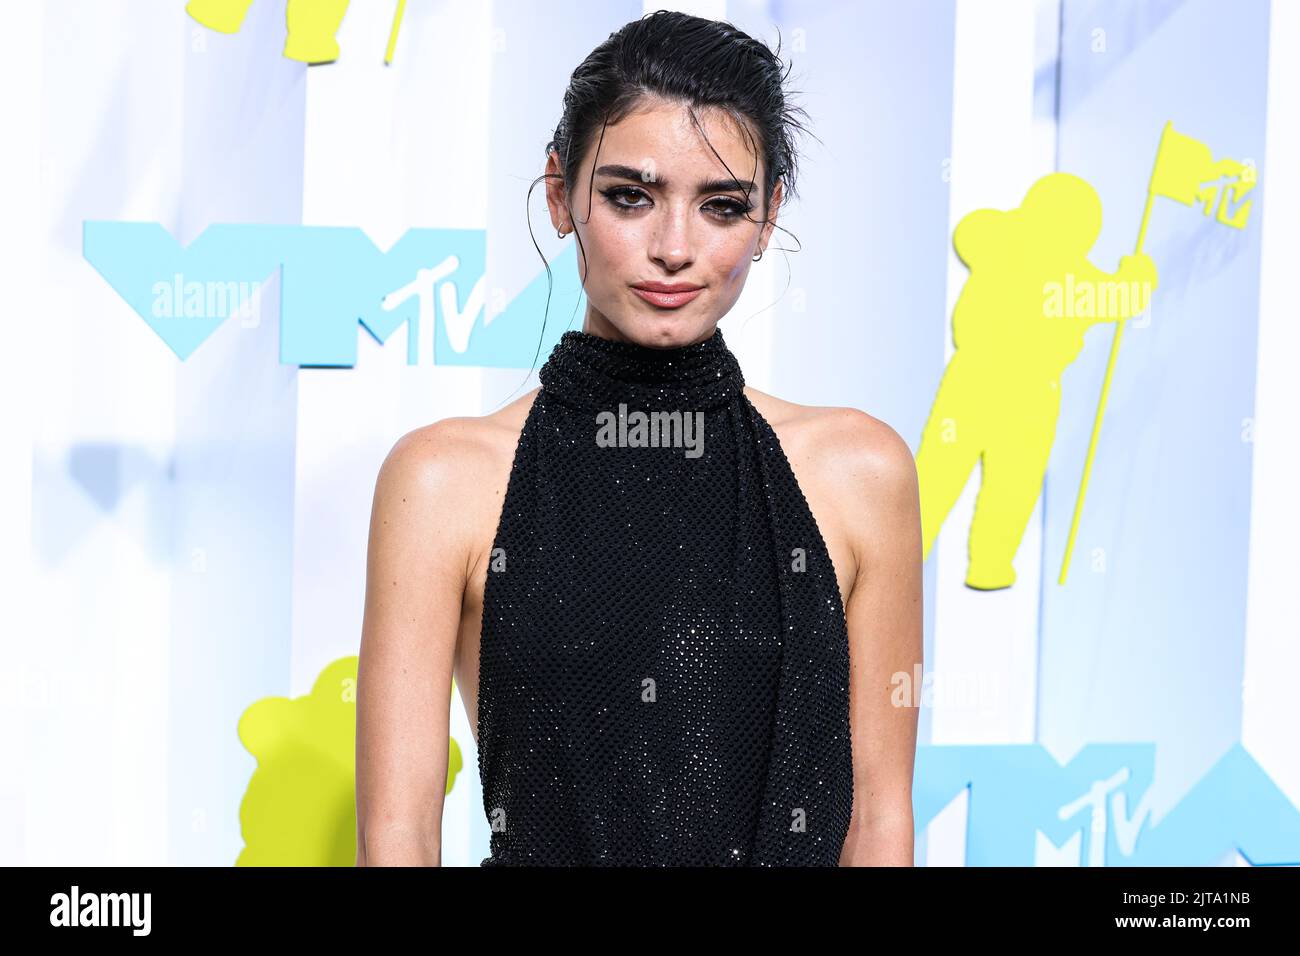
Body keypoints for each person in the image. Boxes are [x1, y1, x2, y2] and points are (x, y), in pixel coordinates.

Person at [355, 9, 922, 867]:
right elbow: (397, 840)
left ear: (768, 220)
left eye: (721, 206)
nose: (674, 248)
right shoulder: (443, 481)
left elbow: (878, 822)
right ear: (559, 195)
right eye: (630, 196)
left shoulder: (859, 471)